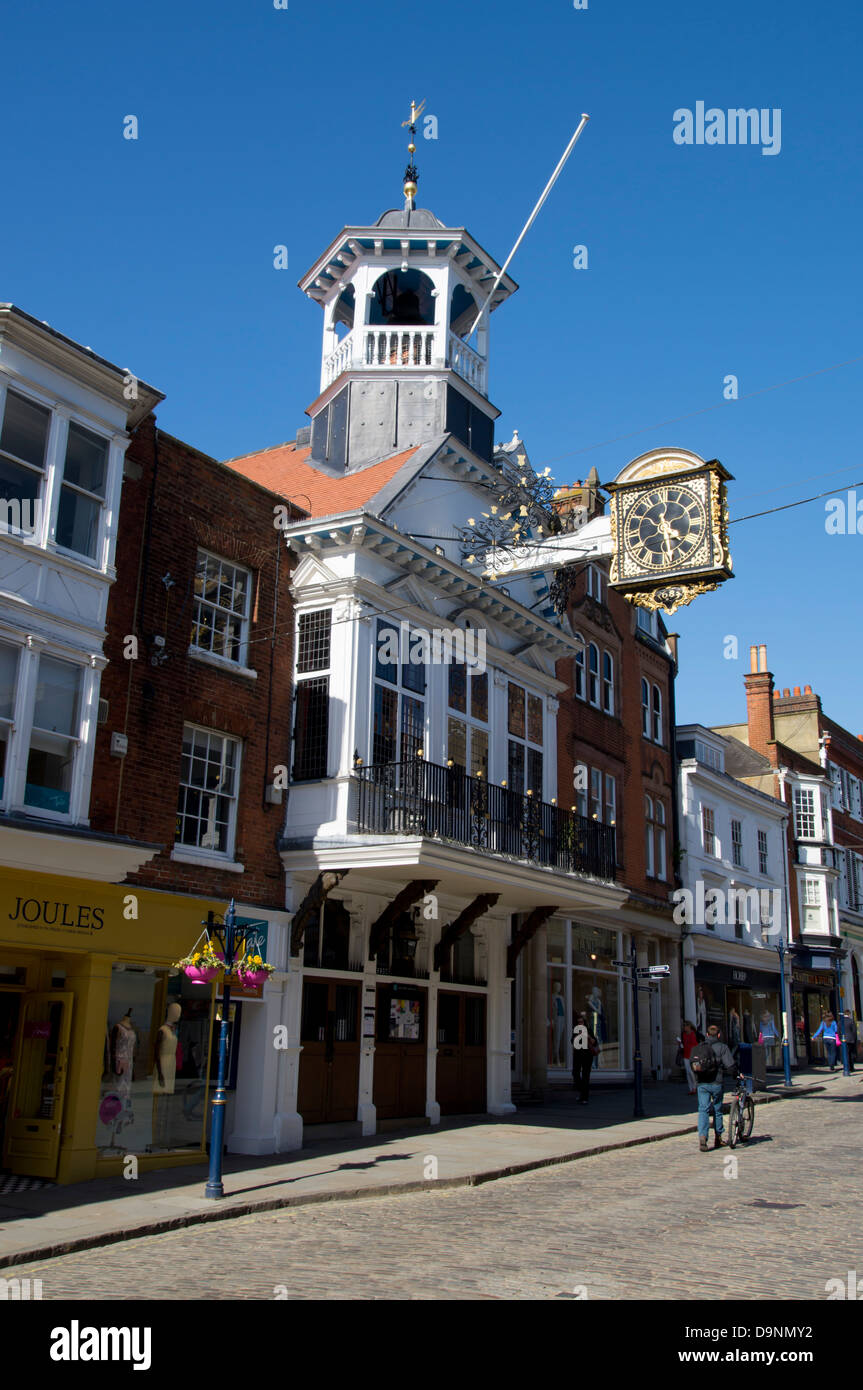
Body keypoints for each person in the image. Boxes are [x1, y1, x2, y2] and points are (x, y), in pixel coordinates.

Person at [689, 1024, 738, 1151]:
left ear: (707, 1035)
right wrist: (736, 1075)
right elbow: (730, 1066)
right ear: (719, 1035)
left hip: (702, 1083)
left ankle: (703, 1137)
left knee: (703, 1110)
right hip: (717, 1082)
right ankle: (718, 1137)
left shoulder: (700, 1047)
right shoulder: (722, 1047)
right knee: (717, 1109)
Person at [572, 1011, 599, 1105]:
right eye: (579, 1022)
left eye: (581, 1022)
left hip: (587, 1056)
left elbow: (595, 1042)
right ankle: (581, 1091)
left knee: (585, 1076)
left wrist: (587, 1036)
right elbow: (572, 1042)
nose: (580, 1024)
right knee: (575, 1073)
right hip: (578, 1055)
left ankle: (584, 1097)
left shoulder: (589, 1030)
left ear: (584, 1023)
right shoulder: (576, 1031)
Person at [678, 1019, 699, 1094]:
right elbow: (683, 1044)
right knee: (688, 1072)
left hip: (694, 1055)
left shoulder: (693, 1034)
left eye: (685, 1026)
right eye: (684, 1026)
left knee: (693, 1072)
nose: (684, 1028)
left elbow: (695, 1045)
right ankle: (691, 1088)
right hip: (686, 1055)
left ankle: (695, 1087)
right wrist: (680, 1044)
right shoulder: (683, 1034)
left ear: (689, 1026)